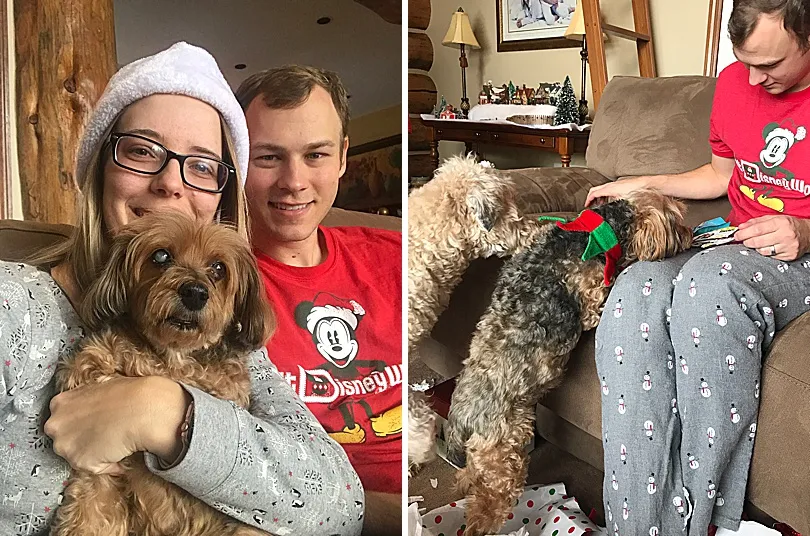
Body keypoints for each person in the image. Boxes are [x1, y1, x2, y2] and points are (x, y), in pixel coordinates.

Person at [0, 42, 363, 535]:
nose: (172, 183)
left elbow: (340, 507)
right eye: (142, 151)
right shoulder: (13, 307)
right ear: (99, 166)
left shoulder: (225, 342)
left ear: (219, 197)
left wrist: (160, 412)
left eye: (202, 165)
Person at [585, 0, 810, 533]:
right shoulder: (735, 83)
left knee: (705, 289)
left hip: (799, 255)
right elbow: (718, 174)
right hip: (736, 241)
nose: (753, 77)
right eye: (744, 59)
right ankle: (636, 524)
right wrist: (642, 183)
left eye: (771, 65)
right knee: (638, 285)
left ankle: (703, 522)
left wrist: (805, 230)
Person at [235, 66, 402, 535]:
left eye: (316, 155)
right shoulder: (215, 284)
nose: (294, 180)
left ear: (344, 156)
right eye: (269, 157)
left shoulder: (394, 255)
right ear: (238, 159)